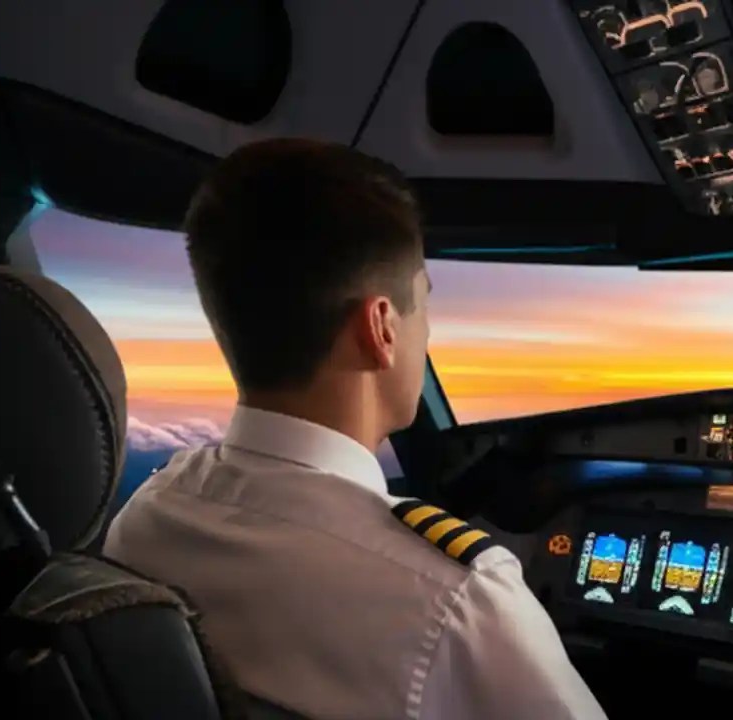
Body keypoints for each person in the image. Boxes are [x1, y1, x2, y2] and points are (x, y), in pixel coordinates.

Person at [104, 139, 607, 720]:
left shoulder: (144, 520)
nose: (426, 334)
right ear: (381, 327)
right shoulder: (454, 601)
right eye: (422, 305)